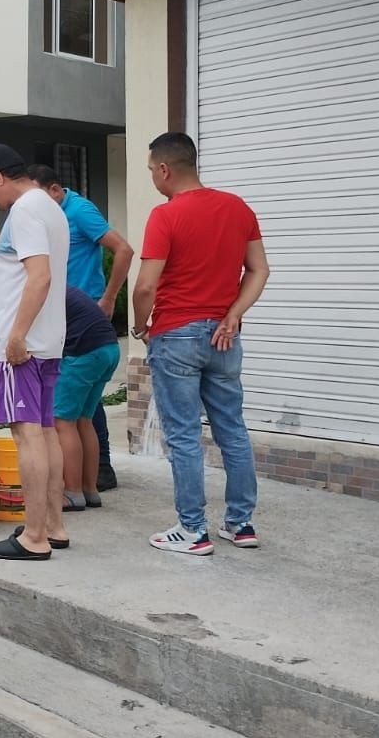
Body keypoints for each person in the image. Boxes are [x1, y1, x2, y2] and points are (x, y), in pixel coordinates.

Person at [130, 132, 270, 556]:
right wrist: (233, 314)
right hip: (224, 336)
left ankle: (193, 530)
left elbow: (144, 287)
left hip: (177, 334)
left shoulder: (165, 215)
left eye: (152, 169)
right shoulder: (238, 207)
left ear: (165, 169)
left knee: (185, 434)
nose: (153, 177)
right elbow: (259, 270)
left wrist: (141, 328)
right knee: (232, 428)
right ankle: (241, 523)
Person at [0, 144, 70, 561]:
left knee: (26, 432)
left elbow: (39, 277)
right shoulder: (50, 207)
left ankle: (33, 536)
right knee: (45, 431)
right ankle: (54, 526)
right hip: (49, 339)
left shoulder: (26, 210)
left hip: (23, 345)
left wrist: (15, 335)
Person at [36, 167, 135, 492]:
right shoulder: (48, 215)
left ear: (53, 189)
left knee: (76, 410)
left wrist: (108, 299)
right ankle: (87, 482)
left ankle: (96, 472)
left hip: (82, 314)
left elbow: (124, 249)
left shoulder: (78, 211)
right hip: (61, 311)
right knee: (78, 409)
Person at [56, 287, 121, 511]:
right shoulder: (62, 287)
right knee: (84, 419)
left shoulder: (41, 288)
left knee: (63, 422)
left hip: (85, 353)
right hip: (108, 348)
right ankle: (89, 490)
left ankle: (72, 493)